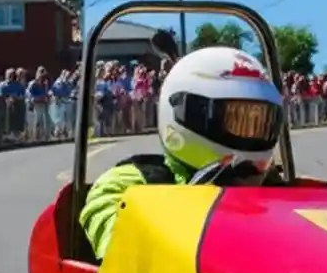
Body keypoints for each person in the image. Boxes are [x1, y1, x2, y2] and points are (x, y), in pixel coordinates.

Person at [79, 46, 285, 261]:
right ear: (191, 114)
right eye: (238, 120)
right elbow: (122, 253)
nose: (251, 134)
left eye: (261, 123)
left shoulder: (275, 188)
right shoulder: (125, 185)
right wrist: (195, 206)